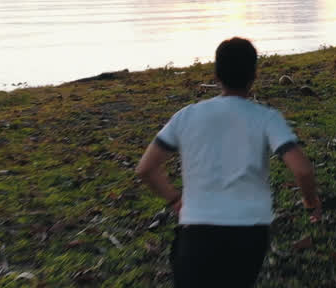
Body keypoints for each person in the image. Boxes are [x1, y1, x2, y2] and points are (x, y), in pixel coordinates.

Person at [136, 37, 321, 288]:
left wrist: (175, 200)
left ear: (216, 76)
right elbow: (303, 170)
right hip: (249, 233)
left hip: (197, 231)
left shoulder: (186, 116)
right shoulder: (267, 118)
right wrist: (310, 202)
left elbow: (146, 169)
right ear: (253, 76)